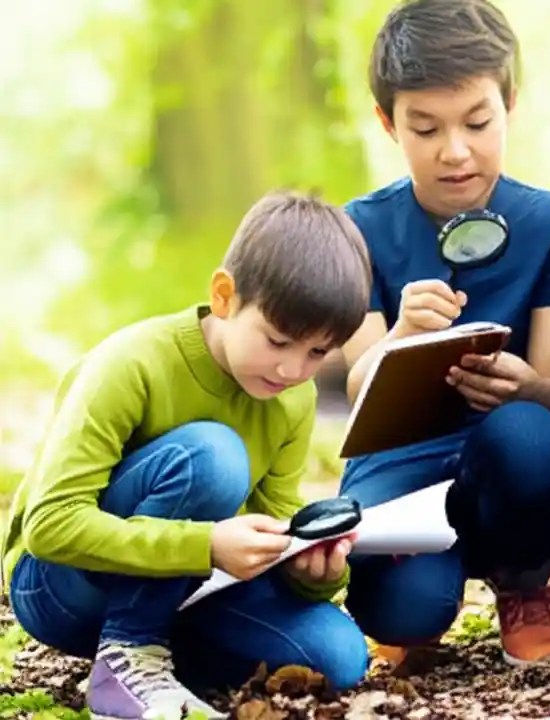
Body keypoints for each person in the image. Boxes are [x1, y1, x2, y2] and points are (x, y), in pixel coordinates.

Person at [2, 192, 374, 719]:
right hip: (61, 586)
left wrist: (313, 571)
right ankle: (127, 660)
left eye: (317, 353)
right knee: (214, 457)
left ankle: (159, 665)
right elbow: (50, 525)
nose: (292, 370)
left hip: (184, 588)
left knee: (337, 657)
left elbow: (275, 523)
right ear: (224, 296)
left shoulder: (292, 397)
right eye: (277, 340)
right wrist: (206, 543)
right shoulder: (130, 365)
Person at [337, 0, 550, 668]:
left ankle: (524, 585)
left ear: (509, 103)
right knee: (406, 613)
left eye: (478, 122)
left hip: (505, 449)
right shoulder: (359, 228)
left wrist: (527, 386)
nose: (456, 151)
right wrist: (399, 337)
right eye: (425, 128)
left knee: (532, 442)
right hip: (399, 464)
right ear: (389, 123)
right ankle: (423, 592)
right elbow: (358, 392)